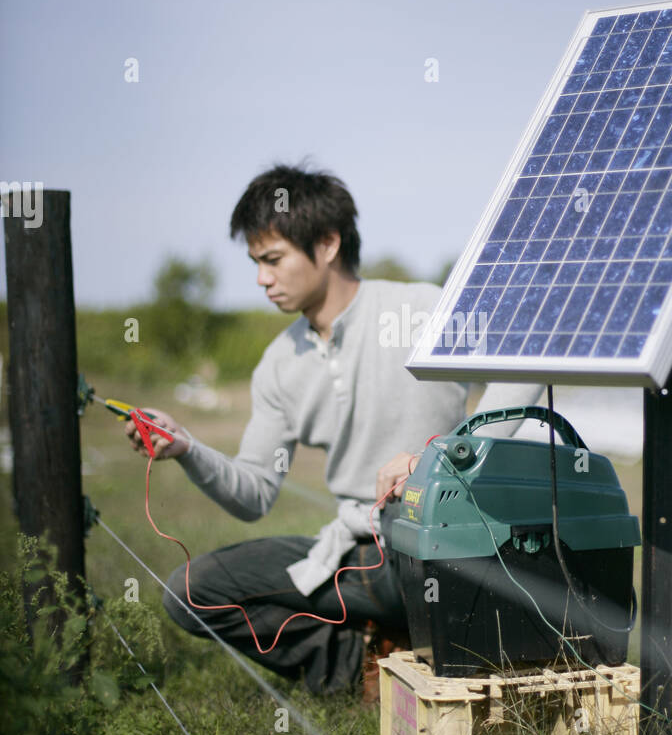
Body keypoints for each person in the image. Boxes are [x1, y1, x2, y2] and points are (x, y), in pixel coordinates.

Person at [126, 162, 539, 696]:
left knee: (443, 572)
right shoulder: (278, 363)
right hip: (356, 556)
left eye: (273, 260)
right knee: (192, 590)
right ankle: (357, 666)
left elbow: (526, 363)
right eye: (255, 263)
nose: (261, 279)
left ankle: (419, 637)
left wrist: (440, 460)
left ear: (326, 245)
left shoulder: (420, 308)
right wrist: (186, 448)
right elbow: (254, 492)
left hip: (444, 546)